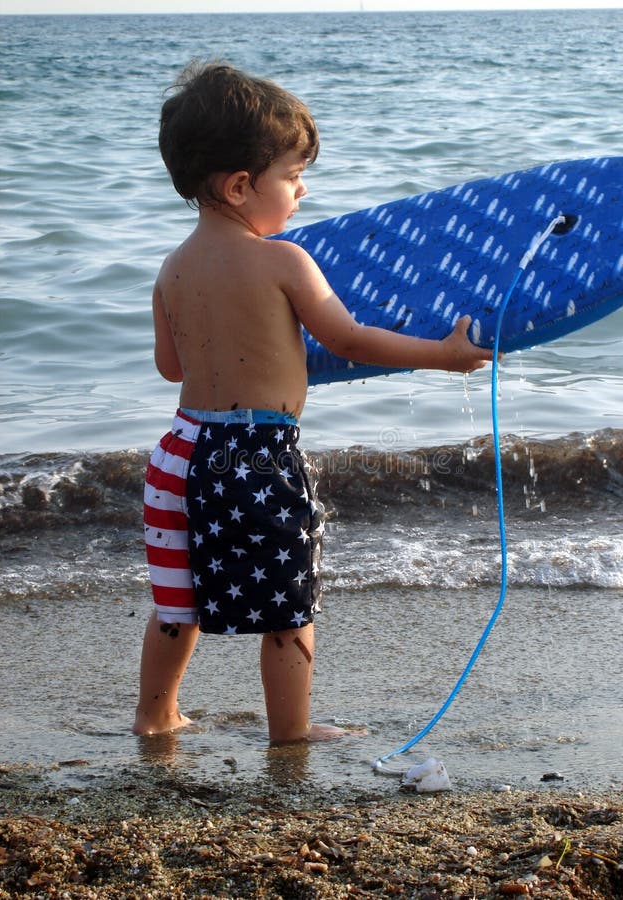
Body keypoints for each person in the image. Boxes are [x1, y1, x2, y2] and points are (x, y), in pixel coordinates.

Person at [133, 61, 495, 744]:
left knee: (177, 604)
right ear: (240, 186)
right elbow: (349, 341)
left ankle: (155, 716)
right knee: (287, 603)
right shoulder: (285, 262)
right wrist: (443, 355)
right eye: (293, 176)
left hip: (178, 452)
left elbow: (168, 365)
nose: (302, 190)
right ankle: (291, 731)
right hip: (255, 457)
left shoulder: (171, 268)